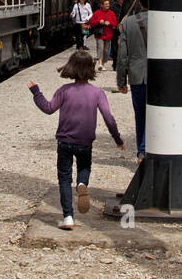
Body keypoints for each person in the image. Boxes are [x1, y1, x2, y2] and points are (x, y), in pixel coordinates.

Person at [28, 50, 124, 228]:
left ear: (70, 67)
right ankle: (82, 184)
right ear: (91, 69)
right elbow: (108, 118)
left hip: (65, 142)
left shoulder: (64, 91)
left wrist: (36, 92)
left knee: (64, 179)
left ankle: (68, 217)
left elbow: (48, 108)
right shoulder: (97, 93)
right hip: (85, 142)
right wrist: (117, 139)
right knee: (84, 167)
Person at [116, 0, 149, 161]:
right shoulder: (165, 21)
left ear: (140, 2)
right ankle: (149, 147)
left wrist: (121, 81)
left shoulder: (128, 23)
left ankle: (141, 150)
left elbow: (122, 56)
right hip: (160, 76)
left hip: (137, 76)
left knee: (140, 115)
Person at [89, 0, 118, 70]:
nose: (108, 5)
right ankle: (100, 64)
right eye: (106, 4)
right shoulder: (97, 13)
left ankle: (103, 64)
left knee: (106, 50)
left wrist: (110, 23)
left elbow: (115, 24)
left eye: (108, 4)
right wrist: (98, 21)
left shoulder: (111, 13)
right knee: (100, 48)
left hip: (108, 34)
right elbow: (91, 23)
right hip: (100, 34)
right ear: (101, 5)